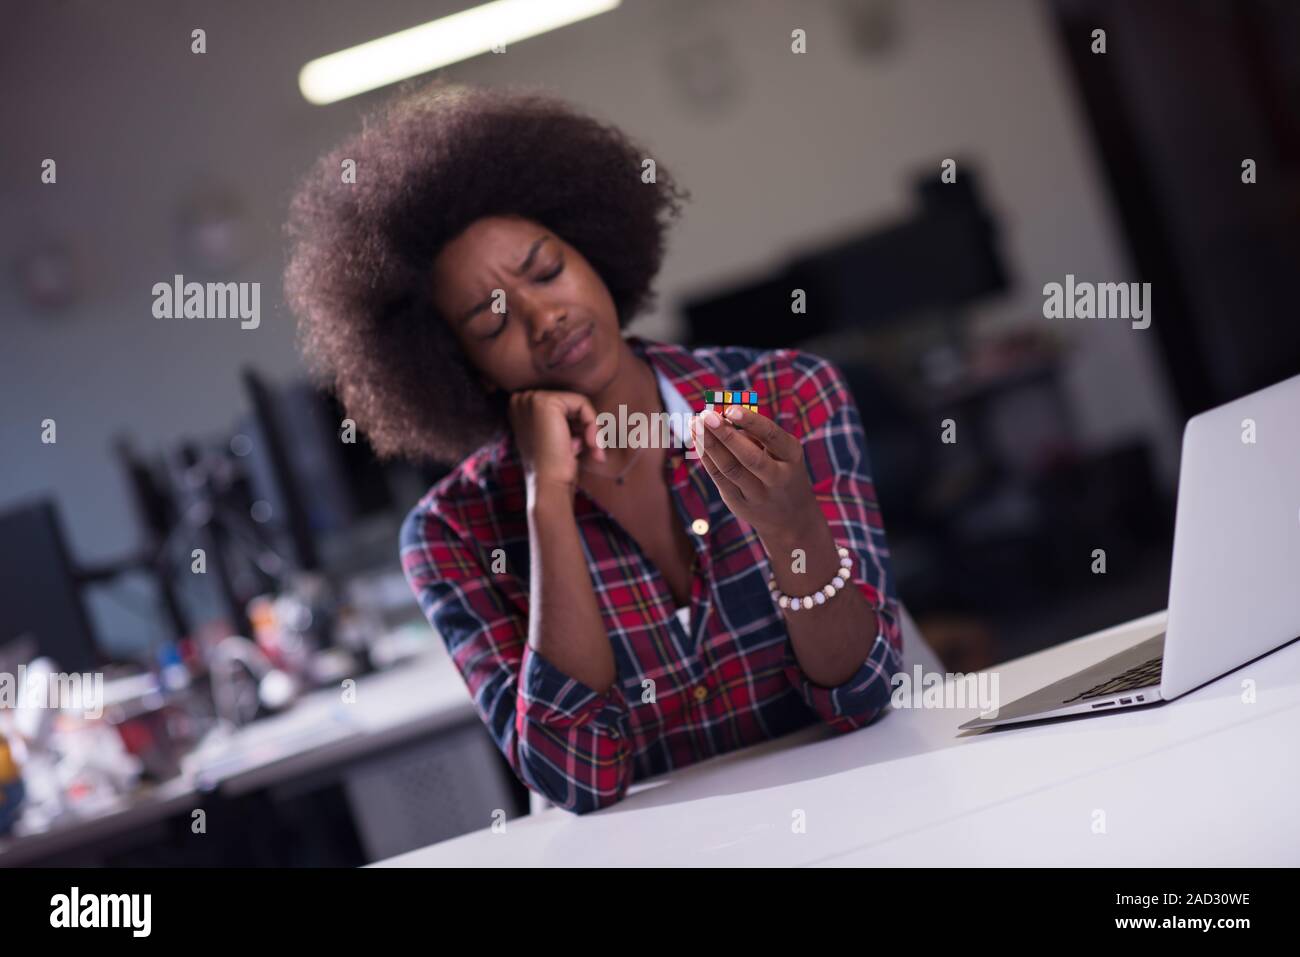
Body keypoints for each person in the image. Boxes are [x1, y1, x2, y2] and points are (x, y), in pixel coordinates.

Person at [284, 80, 903, 814]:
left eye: (548, 271)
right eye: (491, 323)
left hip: (855, 816)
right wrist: (548, 499)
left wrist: (793, 525)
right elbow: (578, 776)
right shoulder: (450, 532)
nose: (546, 317)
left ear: (595, 251)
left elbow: (861, 694)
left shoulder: (787, 396)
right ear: (455, 365)